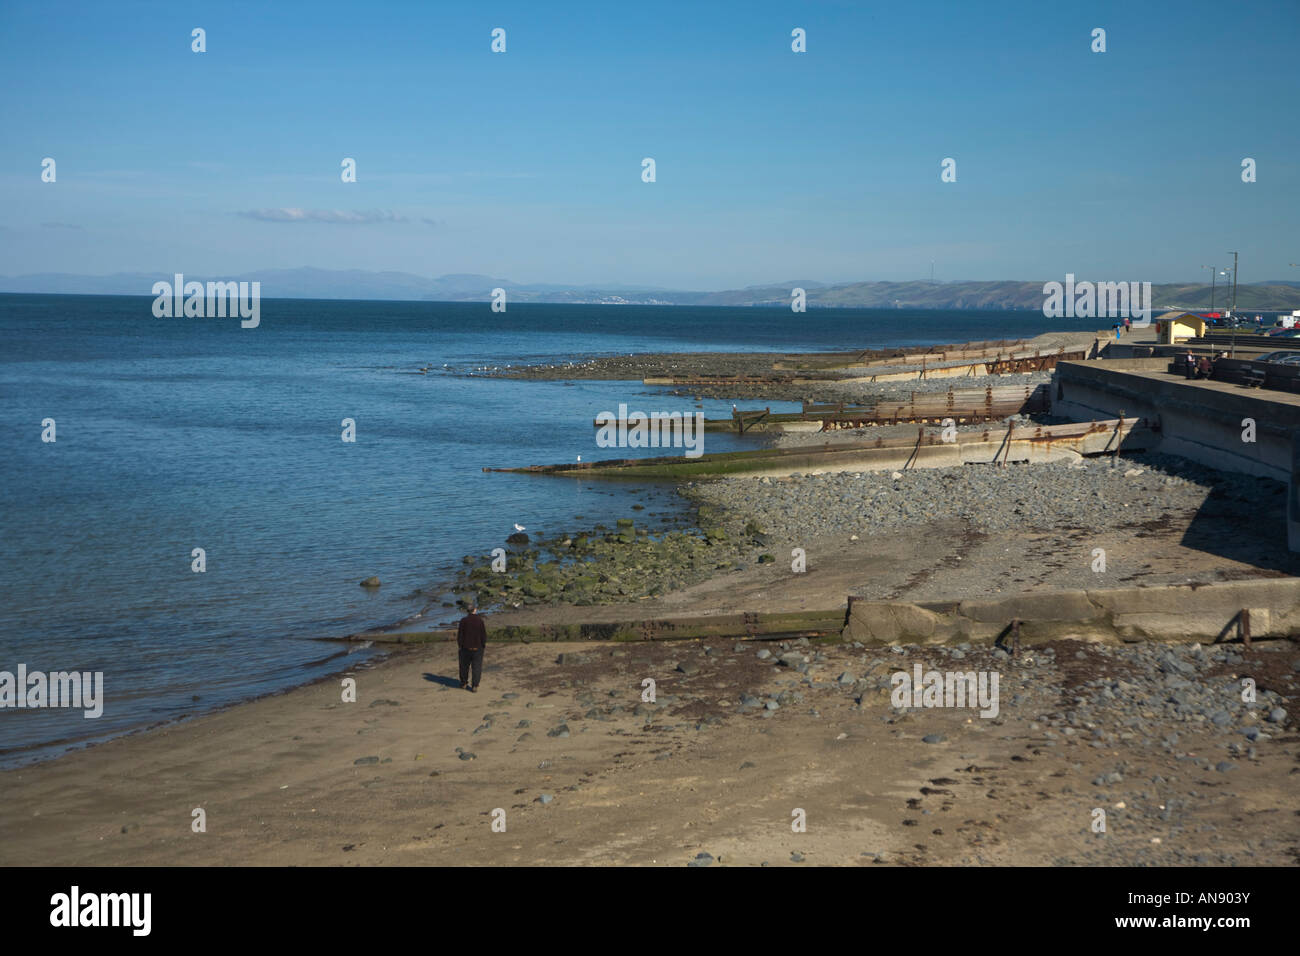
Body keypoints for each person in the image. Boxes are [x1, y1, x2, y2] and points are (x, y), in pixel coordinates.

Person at [456, 598, 488, 692]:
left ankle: (464, 683)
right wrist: (483, 645)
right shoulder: (479, 621)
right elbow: (483, 635)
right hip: (477, 647)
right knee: (477, 667)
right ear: (475, 610)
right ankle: (475, 685)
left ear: (467, 611)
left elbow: (460, 635)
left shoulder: (463, 621)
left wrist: (460, 645)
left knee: (464, 667)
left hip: (465, 647)